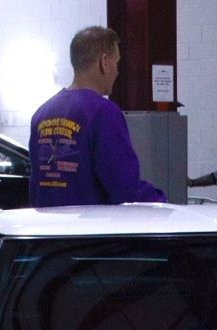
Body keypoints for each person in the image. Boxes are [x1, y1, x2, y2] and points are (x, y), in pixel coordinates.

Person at [28, 26, 166, 207]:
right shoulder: (103, 112)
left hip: (49, 224)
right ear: (104, 62)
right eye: (117, 63)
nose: (117, 71)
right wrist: (161, 203)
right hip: (91, 224)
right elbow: (125, 188)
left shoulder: (42, 114)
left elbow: (36, 186)